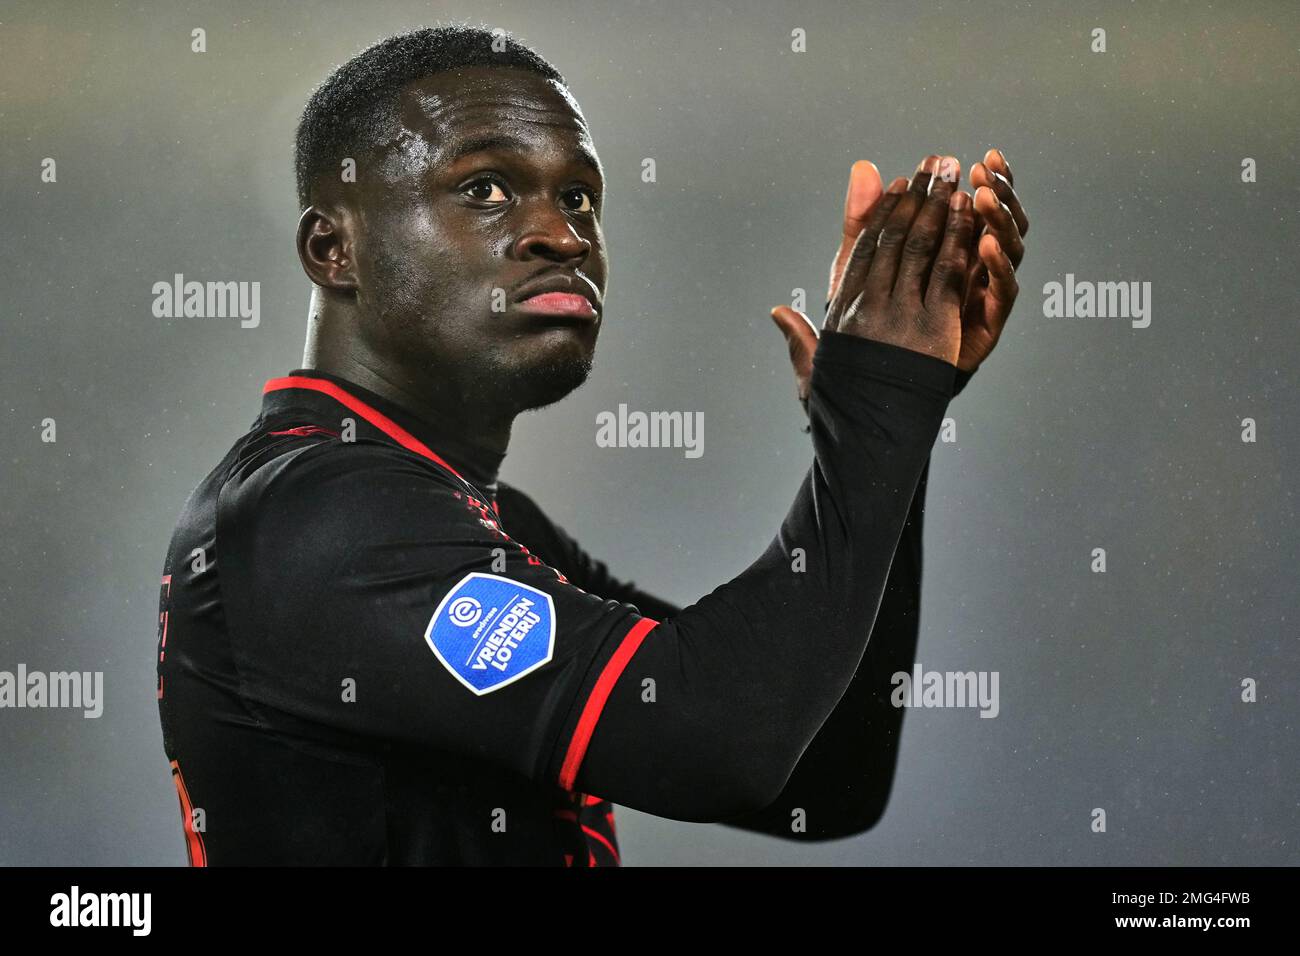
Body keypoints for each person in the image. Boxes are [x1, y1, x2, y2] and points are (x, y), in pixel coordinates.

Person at [155, 24, 1028, 865]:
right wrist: (874, 411)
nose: (563, 235)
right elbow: (719, 739)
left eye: (578, 198)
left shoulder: (484, 523)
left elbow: (825, 779)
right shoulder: (312, 514)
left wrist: (886, 425)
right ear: (332, 248)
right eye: (486, 189)